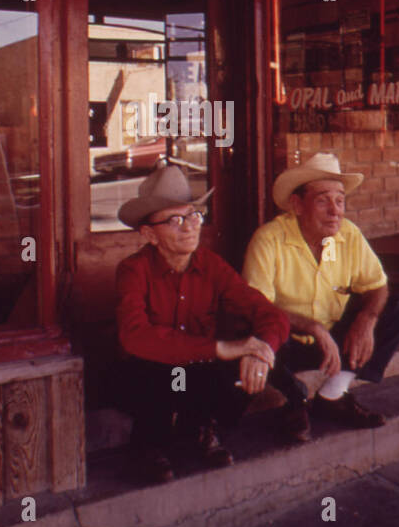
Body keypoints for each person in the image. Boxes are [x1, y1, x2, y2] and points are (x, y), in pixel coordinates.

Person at [115, 164, 289, 484]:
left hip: (196, 370)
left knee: (247, 365)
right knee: (153, 368)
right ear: (149, 234)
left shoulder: (211, 265)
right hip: (149, 374)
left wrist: (260, 350)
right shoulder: (133, 270)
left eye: (194, 216)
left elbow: (271, 315)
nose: (189, 227)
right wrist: (219, 348)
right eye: (174, 220)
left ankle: (199, 428)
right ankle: (146, 445)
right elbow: (134, 336)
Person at [243, 152, 399, 443]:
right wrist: (313, 327)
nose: (335, 211)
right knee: (255, 333)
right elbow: (257, 308)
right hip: (284, 343)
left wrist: (366, 319)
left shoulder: (348, 235)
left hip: (332, 344)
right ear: (297, 205)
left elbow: (377, 285)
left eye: (340, 200)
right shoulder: (269, 238)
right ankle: (293, 402)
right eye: (323, 200)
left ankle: (333, 394)